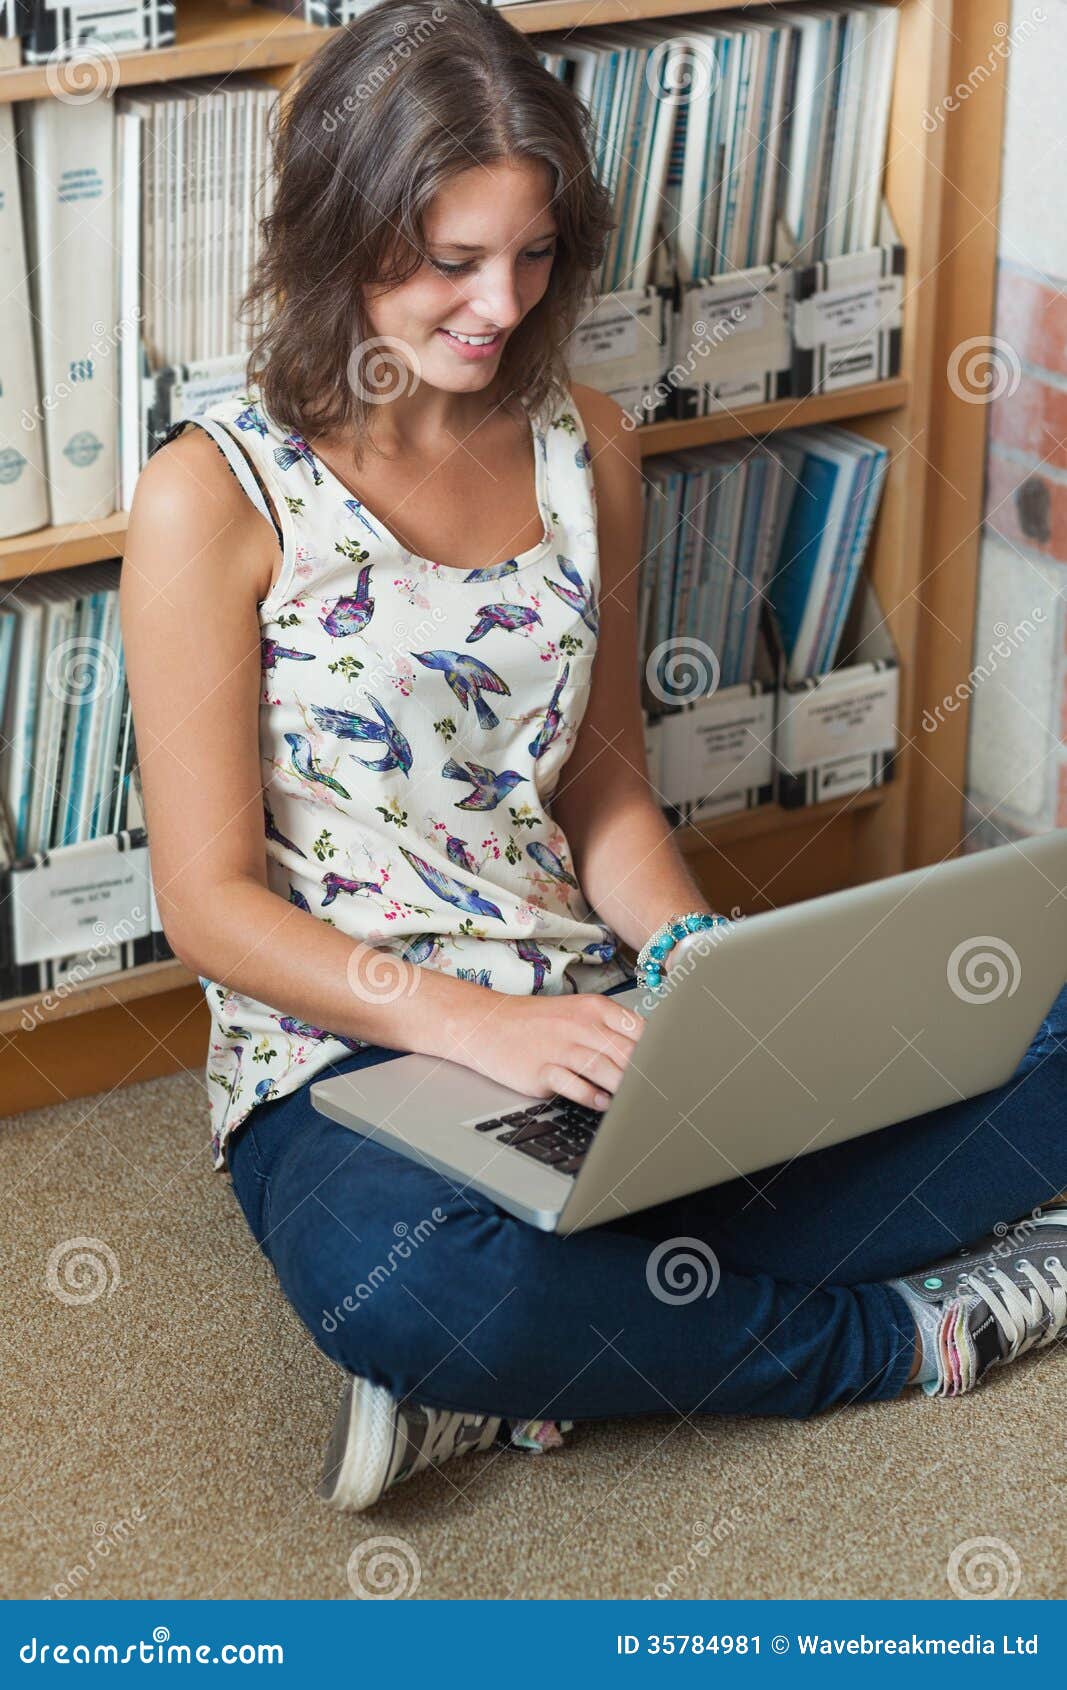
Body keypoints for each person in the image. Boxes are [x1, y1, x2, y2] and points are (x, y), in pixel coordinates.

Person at [120, 0, 1067, 1514]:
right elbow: (211, 903)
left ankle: (546, 1370)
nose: (502, 303)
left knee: (1044, 1017)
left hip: (591, 1012)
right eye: (451, 260)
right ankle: (885, 1335)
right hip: (345, 1057)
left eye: (536, 252)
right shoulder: (210, 496)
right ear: (342, 230)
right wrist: (472, 1030)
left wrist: (692, 953)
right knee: (413, 1292)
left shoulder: (587, 442)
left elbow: (600, 778)